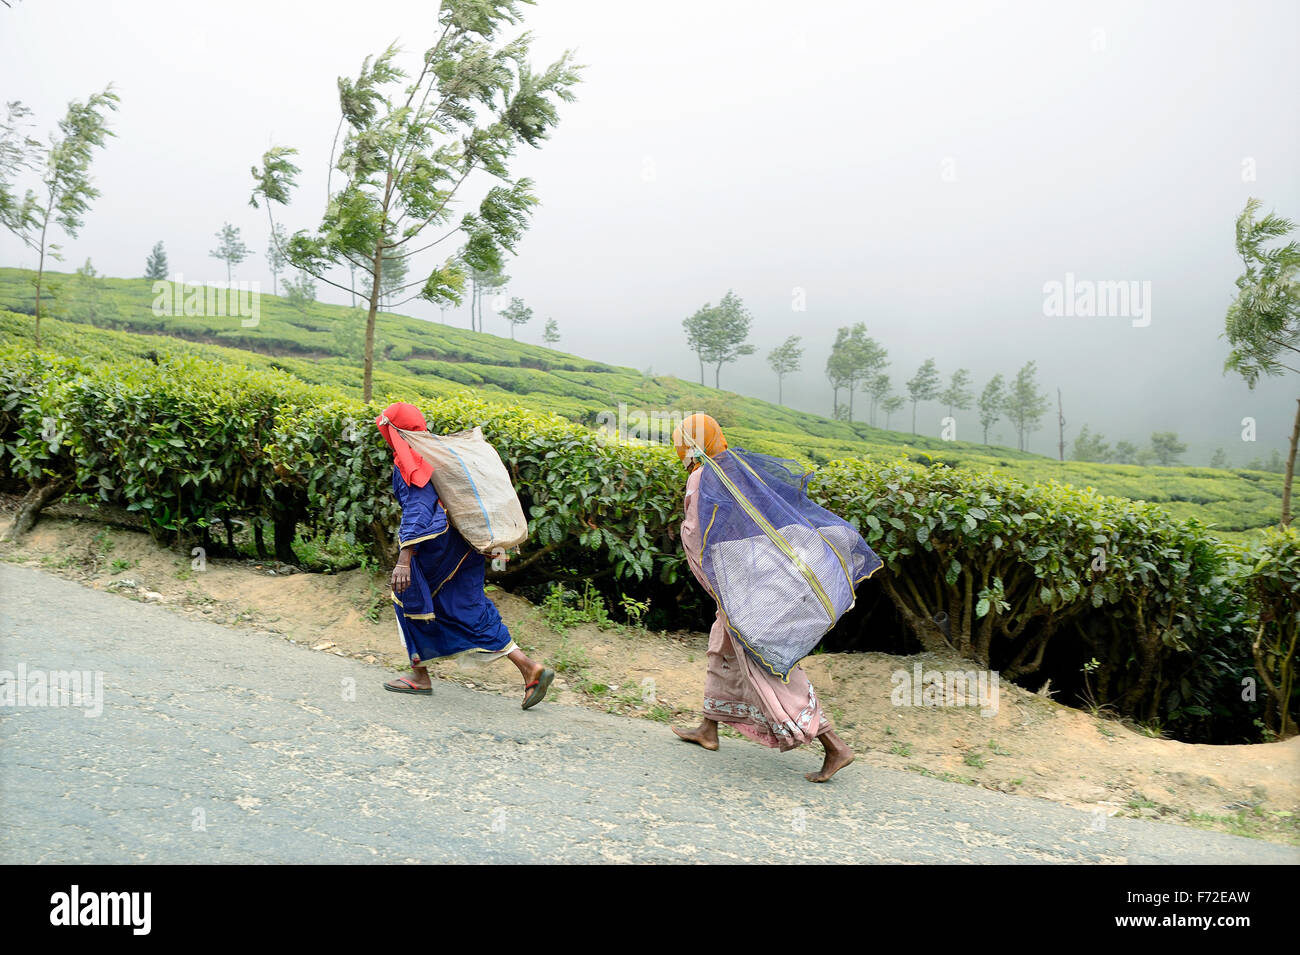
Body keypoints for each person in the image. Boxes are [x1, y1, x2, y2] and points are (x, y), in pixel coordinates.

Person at [670, 413, 856, 782]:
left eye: (681, 441)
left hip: (738, 583)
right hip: (757, 576)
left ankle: (834, 744)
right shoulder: (733, 466)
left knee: (764, 661)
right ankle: (709, 728)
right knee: (722, 648)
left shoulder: (700, 477)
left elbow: (695, 534)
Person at [376, 402, 554, 709]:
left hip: (436, 547)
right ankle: (529, 668)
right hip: (466, 543)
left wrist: (404, 560)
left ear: (394, 430)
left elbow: (419, 510)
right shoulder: (441, 453)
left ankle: (419, 676)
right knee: (468, 605)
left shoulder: (410, 460)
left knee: (407, 597)